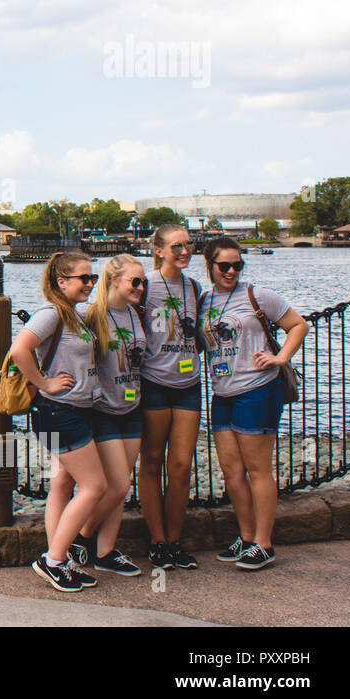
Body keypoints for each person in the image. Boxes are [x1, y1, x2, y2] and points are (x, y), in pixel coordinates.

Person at [202, 236, 307, 570]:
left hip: (258, 389)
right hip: (223, 393)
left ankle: (264, 542)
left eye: (237, 265)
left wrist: (280, 358)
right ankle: (246, 538)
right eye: (224, 266)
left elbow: (297, 325)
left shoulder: (257, 295)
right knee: (232, 472)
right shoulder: (203, 300)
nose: (231, 271)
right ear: (210, 266)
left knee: (258, 469)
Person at [10, 250, 106, 592]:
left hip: (74, 410)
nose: (90, 283)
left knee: (64, 482)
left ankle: (59, 556)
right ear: (61, 281)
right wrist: (44, 382)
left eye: (92, 277)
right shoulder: (50, 314)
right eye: (84, 278)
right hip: (58, 412)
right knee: (96, 486)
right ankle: (51, 561)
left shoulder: (74, 315)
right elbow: (20, 349)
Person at [71, 253, 148, 576]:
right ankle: (81, 538)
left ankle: (106, 551)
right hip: (103, 409)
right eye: (135, 281)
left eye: (143, 282)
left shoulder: (136, 313)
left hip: (132, 406)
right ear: (114, 280)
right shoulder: (94, 316)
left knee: (121, 488)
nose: (141, 288)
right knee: (118, 485)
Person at [139, 224, 204, 570]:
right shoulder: (146, 286)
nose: (185, 251)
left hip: (188, 383)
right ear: (159, 250)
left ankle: (175, 541)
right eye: (176, 246)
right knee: (151, 462)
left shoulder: (194, 287)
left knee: (181, 466)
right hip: (153, 382)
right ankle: (157, 540)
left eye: (188, 245)